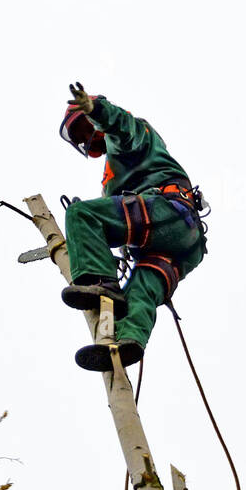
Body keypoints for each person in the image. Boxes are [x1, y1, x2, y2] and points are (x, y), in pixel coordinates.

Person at [59, 82, 207, 372]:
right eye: (79, 137)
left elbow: (121, 126)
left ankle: (100, 283)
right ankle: (128, 342)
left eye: (85, 129)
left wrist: (97, 110)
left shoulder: (129, 135)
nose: (86, 139)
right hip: (181, 240)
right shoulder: (114, 173)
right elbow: (114, 219)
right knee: (141, 291)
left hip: (167, 211)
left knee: (81, 215)